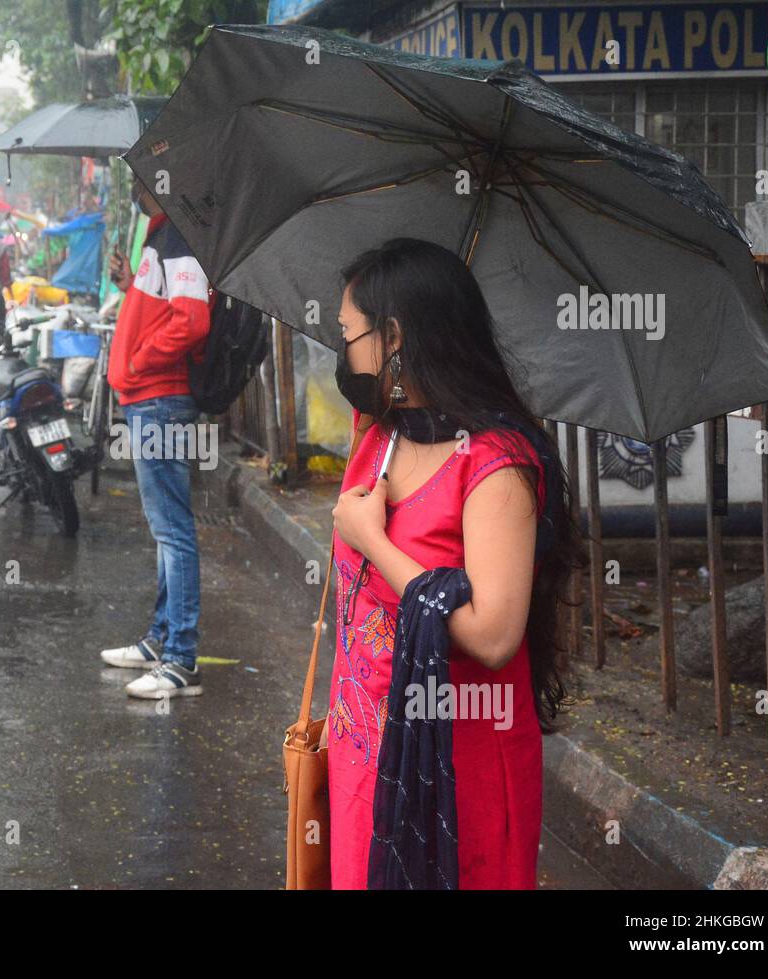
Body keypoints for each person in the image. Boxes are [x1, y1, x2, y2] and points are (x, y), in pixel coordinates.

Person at [324, 238, 582, 889]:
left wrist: (373, 539)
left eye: (349, 334)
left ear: (393, 338)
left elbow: (495, 635)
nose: (344, 352)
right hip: (366, 748)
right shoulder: (383, 433)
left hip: (454, 762)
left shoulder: (495, 464)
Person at [97, 176, 212, 699]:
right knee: (163, 527)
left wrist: (140, 362)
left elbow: (191, 322)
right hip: (148, 400)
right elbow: (168, 311)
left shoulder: (178, 238)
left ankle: (180, 658)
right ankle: (160, 638)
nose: (134, 191)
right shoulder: (159, 238)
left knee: (172, 530)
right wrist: (127, 288)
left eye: (140, 182)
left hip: (159, 400)